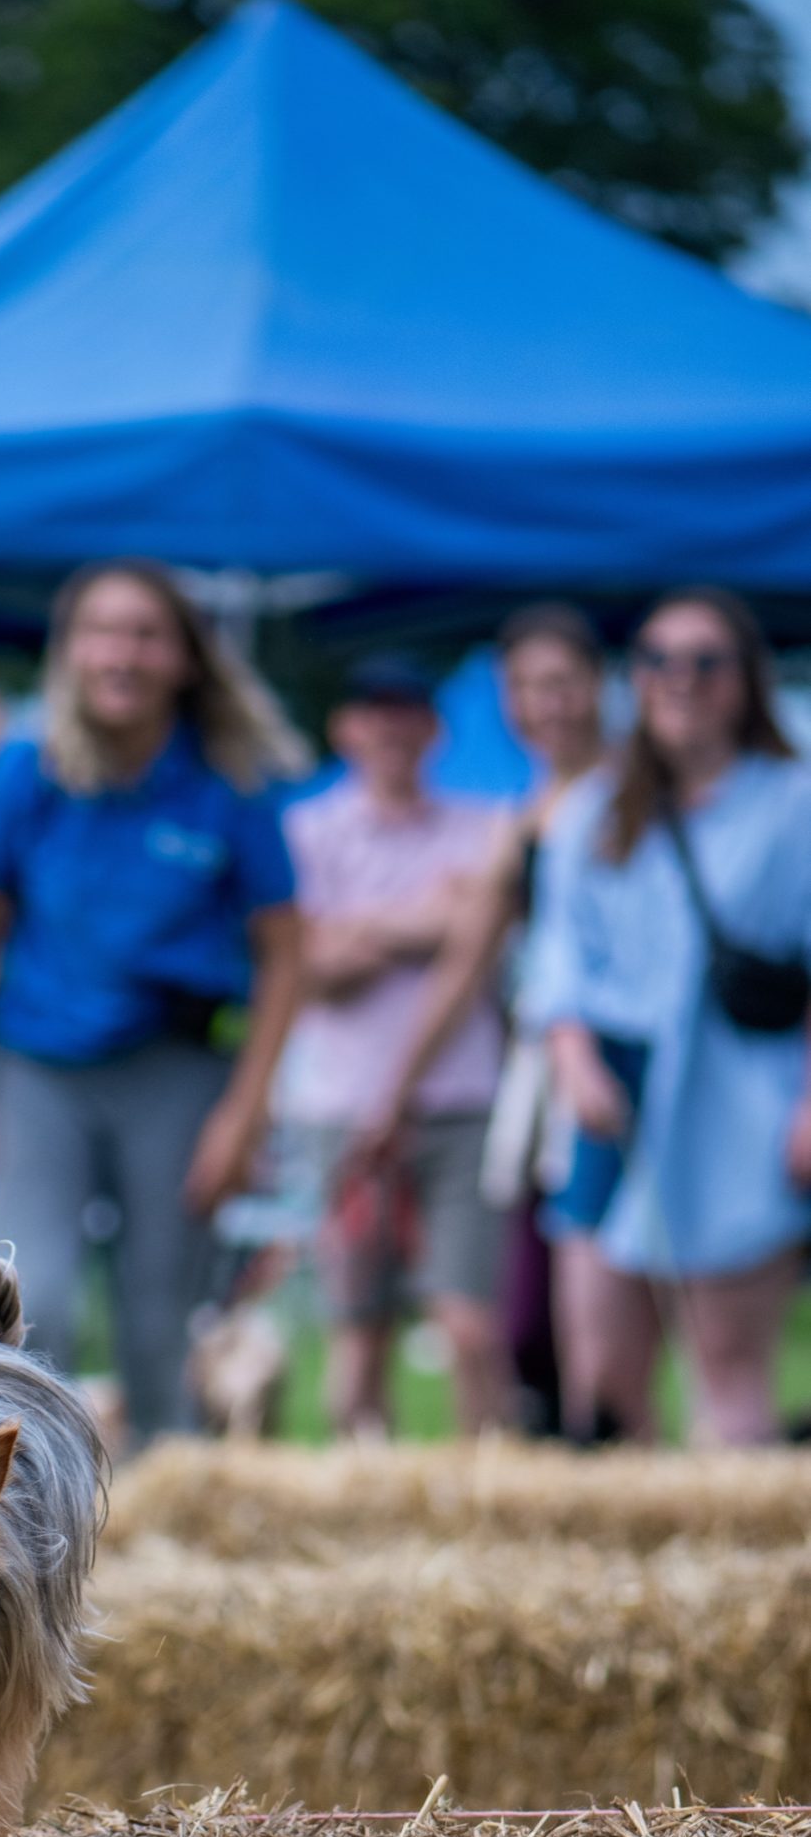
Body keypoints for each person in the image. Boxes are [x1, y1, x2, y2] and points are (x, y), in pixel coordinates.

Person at [0, 558, 304, 1446]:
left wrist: (244, 1116)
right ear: (69, 652)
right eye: (100, 632)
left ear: (183, 657)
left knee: (158, 1319)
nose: (121, 654)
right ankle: (28, 1506)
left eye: (144, 634)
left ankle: (162, 1496)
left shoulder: (229, 783)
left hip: (175, 1071)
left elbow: (286, 956)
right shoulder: (27, 768)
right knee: (36, 1301)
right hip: (38, 1068)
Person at [530, 587, 811, 1444]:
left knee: (726, 1360)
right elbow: (557, 963)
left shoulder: (793, 803)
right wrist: (576, 1067)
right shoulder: (594, 811)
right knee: (601, 1371)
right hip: (614, 1099)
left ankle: (742, 1560)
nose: (678, 680)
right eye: (657, 660)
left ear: (745, 679)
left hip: (741, 1102)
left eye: (704, 661)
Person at [368, 605, 609, 1434]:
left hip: (624, 1069)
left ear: (597, 687)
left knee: (610, 1299)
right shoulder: (524, 814)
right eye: (526, 687)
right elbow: (467, 958)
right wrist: (398, 1086)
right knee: (541, 1302)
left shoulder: (629, 792)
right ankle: (571, 1452)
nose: (546, 703)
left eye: (561, 682)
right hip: (549, 1085)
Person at [281, 656, 505, 1437]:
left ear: (433, 729)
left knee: (470, 1325)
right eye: (374, 711)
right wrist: (425, 920)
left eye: (406, 710)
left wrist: (357, 925)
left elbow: (475, 936)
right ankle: (365, 1490)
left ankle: (490, 1488)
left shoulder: (483, 826)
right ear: (345, 728)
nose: (390, 727)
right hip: (339, 1106)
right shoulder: (307, 831)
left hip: (460, 1105)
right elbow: (312, 968)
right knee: (357, 1329)